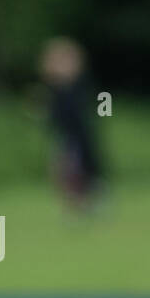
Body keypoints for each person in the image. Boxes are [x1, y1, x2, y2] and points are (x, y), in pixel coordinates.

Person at [39, 37, 105, 214]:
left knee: (79, 172)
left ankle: (87, 203)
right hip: (63, 139)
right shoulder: (52, 91)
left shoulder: (79, 89)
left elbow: (91, 114)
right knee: (61, 173)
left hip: (79, 138)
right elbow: (53, 118)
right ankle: (74, 205)